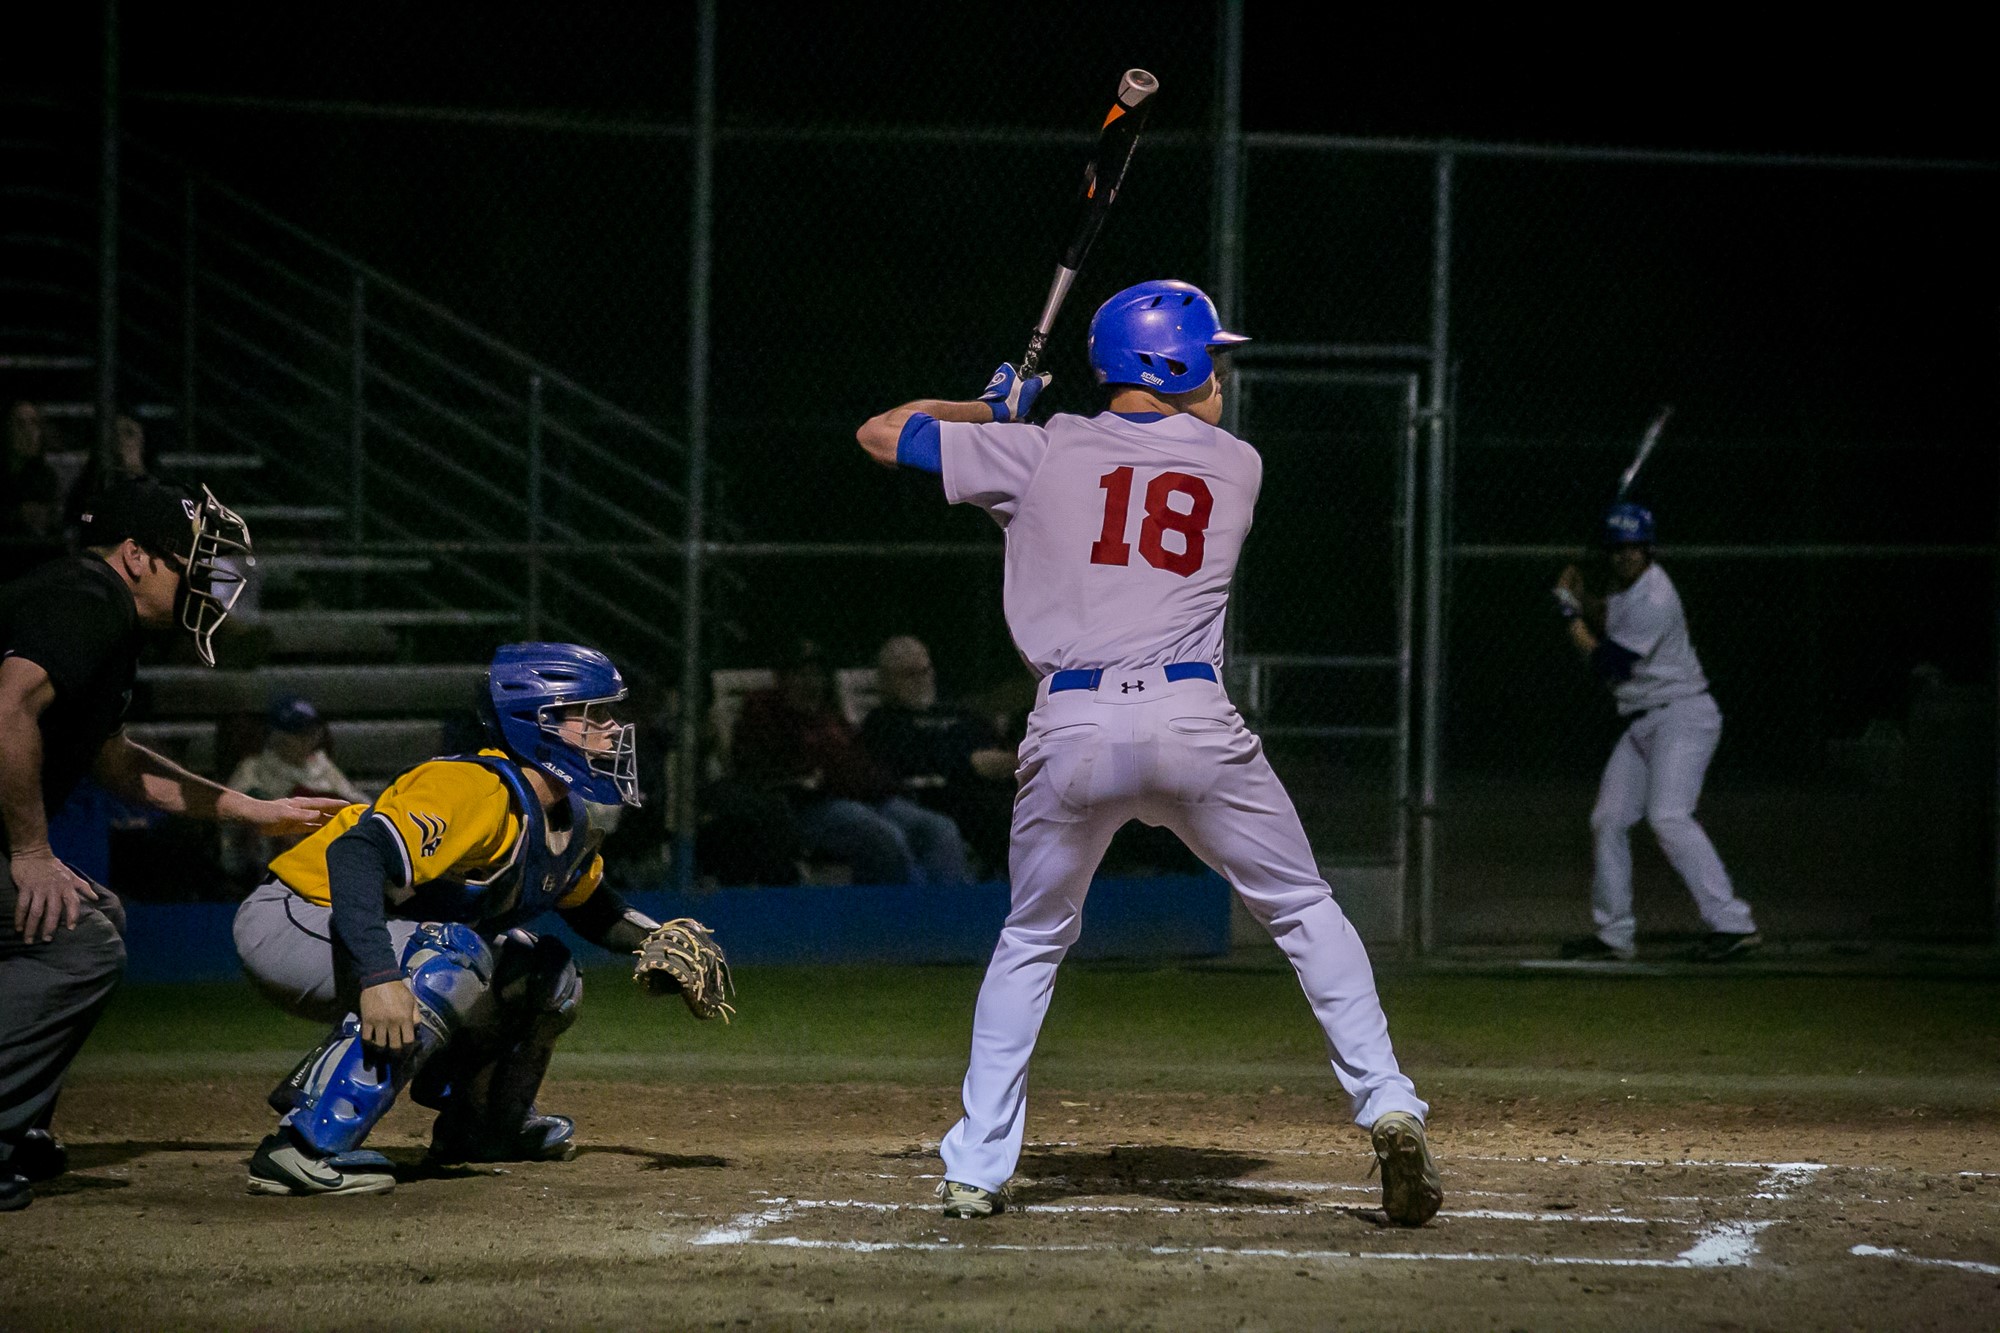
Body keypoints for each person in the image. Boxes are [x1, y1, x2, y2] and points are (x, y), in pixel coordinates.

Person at [855, 278, 1440, 1226]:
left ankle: (977, 1166)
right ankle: (1389, 1101)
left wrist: (987, 410)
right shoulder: (1239, 465)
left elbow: (881, 432)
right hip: (1193, 721)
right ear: (1164, 365)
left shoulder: (1039, 451)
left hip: (1072, 728)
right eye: (1209, 359)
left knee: (1033, 937)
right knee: (1301, 905)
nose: (1220, 377)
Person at [231, 642, 723, 1196]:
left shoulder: (568, 814)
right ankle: (300, 1147)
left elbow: (589, 904)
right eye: (596, 715)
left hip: (370, 930)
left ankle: (484, 1126)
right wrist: (378, 976)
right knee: (454, 954)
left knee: (546, 973)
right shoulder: (476, 787)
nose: (614, 730)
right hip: (297, 913)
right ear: (541, 723)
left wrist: (656, 940)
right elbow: (355, 856)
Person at [1, 478, 339, 1212]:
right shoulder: (89, 598)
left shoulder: (94, 604)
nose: (202, 578)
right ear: (133, 555)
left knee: (95, 919)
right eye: (186, 560)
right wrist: (29, 854)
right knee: (80, 946)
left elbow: (116, 759)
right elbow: (10, 703)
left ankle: (20, 1120)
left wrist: (250, 807)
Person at [1552, 504, 1760, 962]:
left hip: (1682, 717)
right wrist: (1583, 599)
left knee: (1668, 816)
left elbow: (1609, 663)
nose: (1626, 555)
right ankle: (1615, 935)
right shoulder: (1628, 590)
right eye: (1619, 548)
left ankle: (1733, 924)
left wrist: (1570, 614)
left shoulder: (1655, 597)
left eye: (1634, 548)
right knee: (1607, 821)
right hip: (1644, 722)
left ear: (1648, 549)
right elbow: (1611, 616)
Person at [731, 639, 970, 886]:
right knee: (884, 837)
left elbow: (859, 762)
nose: (811, 681)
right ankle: (903, 916)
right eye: (800, 674)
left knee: (940, 830)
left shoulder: (829, 716)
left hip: (866, 798)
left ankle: (950, 917)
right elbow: (761, 770)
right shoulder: (766, 715)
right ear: (783, 678)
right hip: (810, 807)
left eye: (816, 674)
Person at [860, 635, 1015, 870]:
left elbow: (995, 744)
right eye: (910, 674)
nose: (922, 680)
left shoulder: (960, 715)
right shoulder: (882, 722)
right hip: (939, 796)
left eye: (926, 671)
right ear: (886, 681)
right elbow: (908, 762)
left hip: (995, 787)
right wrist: (969, 763)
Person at [220, 696, 371, 882]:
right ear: (277, 737)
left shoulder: (321, 766)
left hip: (326, 852)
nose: (308, 740)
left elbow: (359, 803)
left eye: (312, 733)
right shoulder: (252, 768)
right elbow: (234, 819)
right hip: (270, 861)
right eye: (300, 734)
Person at [64, 412, 155, 534]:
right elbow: (79, 518)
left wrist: (136, 472)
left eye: (128, 433)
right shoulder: (90, 483)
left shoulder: (159, 485)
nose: (120, 440)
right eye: (115, 434)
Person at [2, 402, 64, 581]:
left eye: (34, 423)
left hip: (35, 569)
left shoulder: (46, 478)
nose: (29, 432)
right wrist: (16, 516)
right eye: (20, 424)